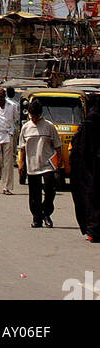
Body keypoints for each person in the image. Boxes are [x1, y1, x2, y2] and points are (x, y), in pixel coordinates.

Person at [17, 98, 62, 229]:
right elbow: (22, 148)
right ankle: (37, 218)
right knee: (34, 194)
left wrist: (58, 162)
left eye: (36, 116)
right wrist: (21, 164)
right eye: (32, 116)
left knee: (49, 190)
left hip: (48, 164)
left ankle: (46, 213)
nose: (34, 119)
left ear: (40, 114)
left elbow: (58, 146)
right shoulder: (26, 128)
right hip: (32, 165)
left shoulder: (49, 126)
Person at [70, 94, 100, 242]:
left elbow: (78, 150)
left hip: (89, 170)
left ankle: (93, 231)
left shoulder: (90, 122)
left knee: (90, 198)